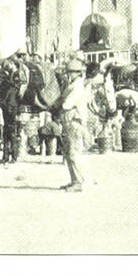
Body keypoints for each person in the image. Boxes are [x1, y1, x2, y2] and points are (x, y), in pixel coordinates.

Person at [58, 57, 90, 191]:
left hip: (74, 121)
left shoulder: (77, 86)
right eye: (68, 72)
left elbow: (67, 104)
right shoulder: (72, 85)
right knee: (68, 153)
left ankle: (78, 182)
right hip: (68, 121)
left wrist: (58, 104)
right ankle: (74, 180)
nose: (69, 74)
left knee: (74, 153)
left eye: (72, 72)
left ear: (78, 73)